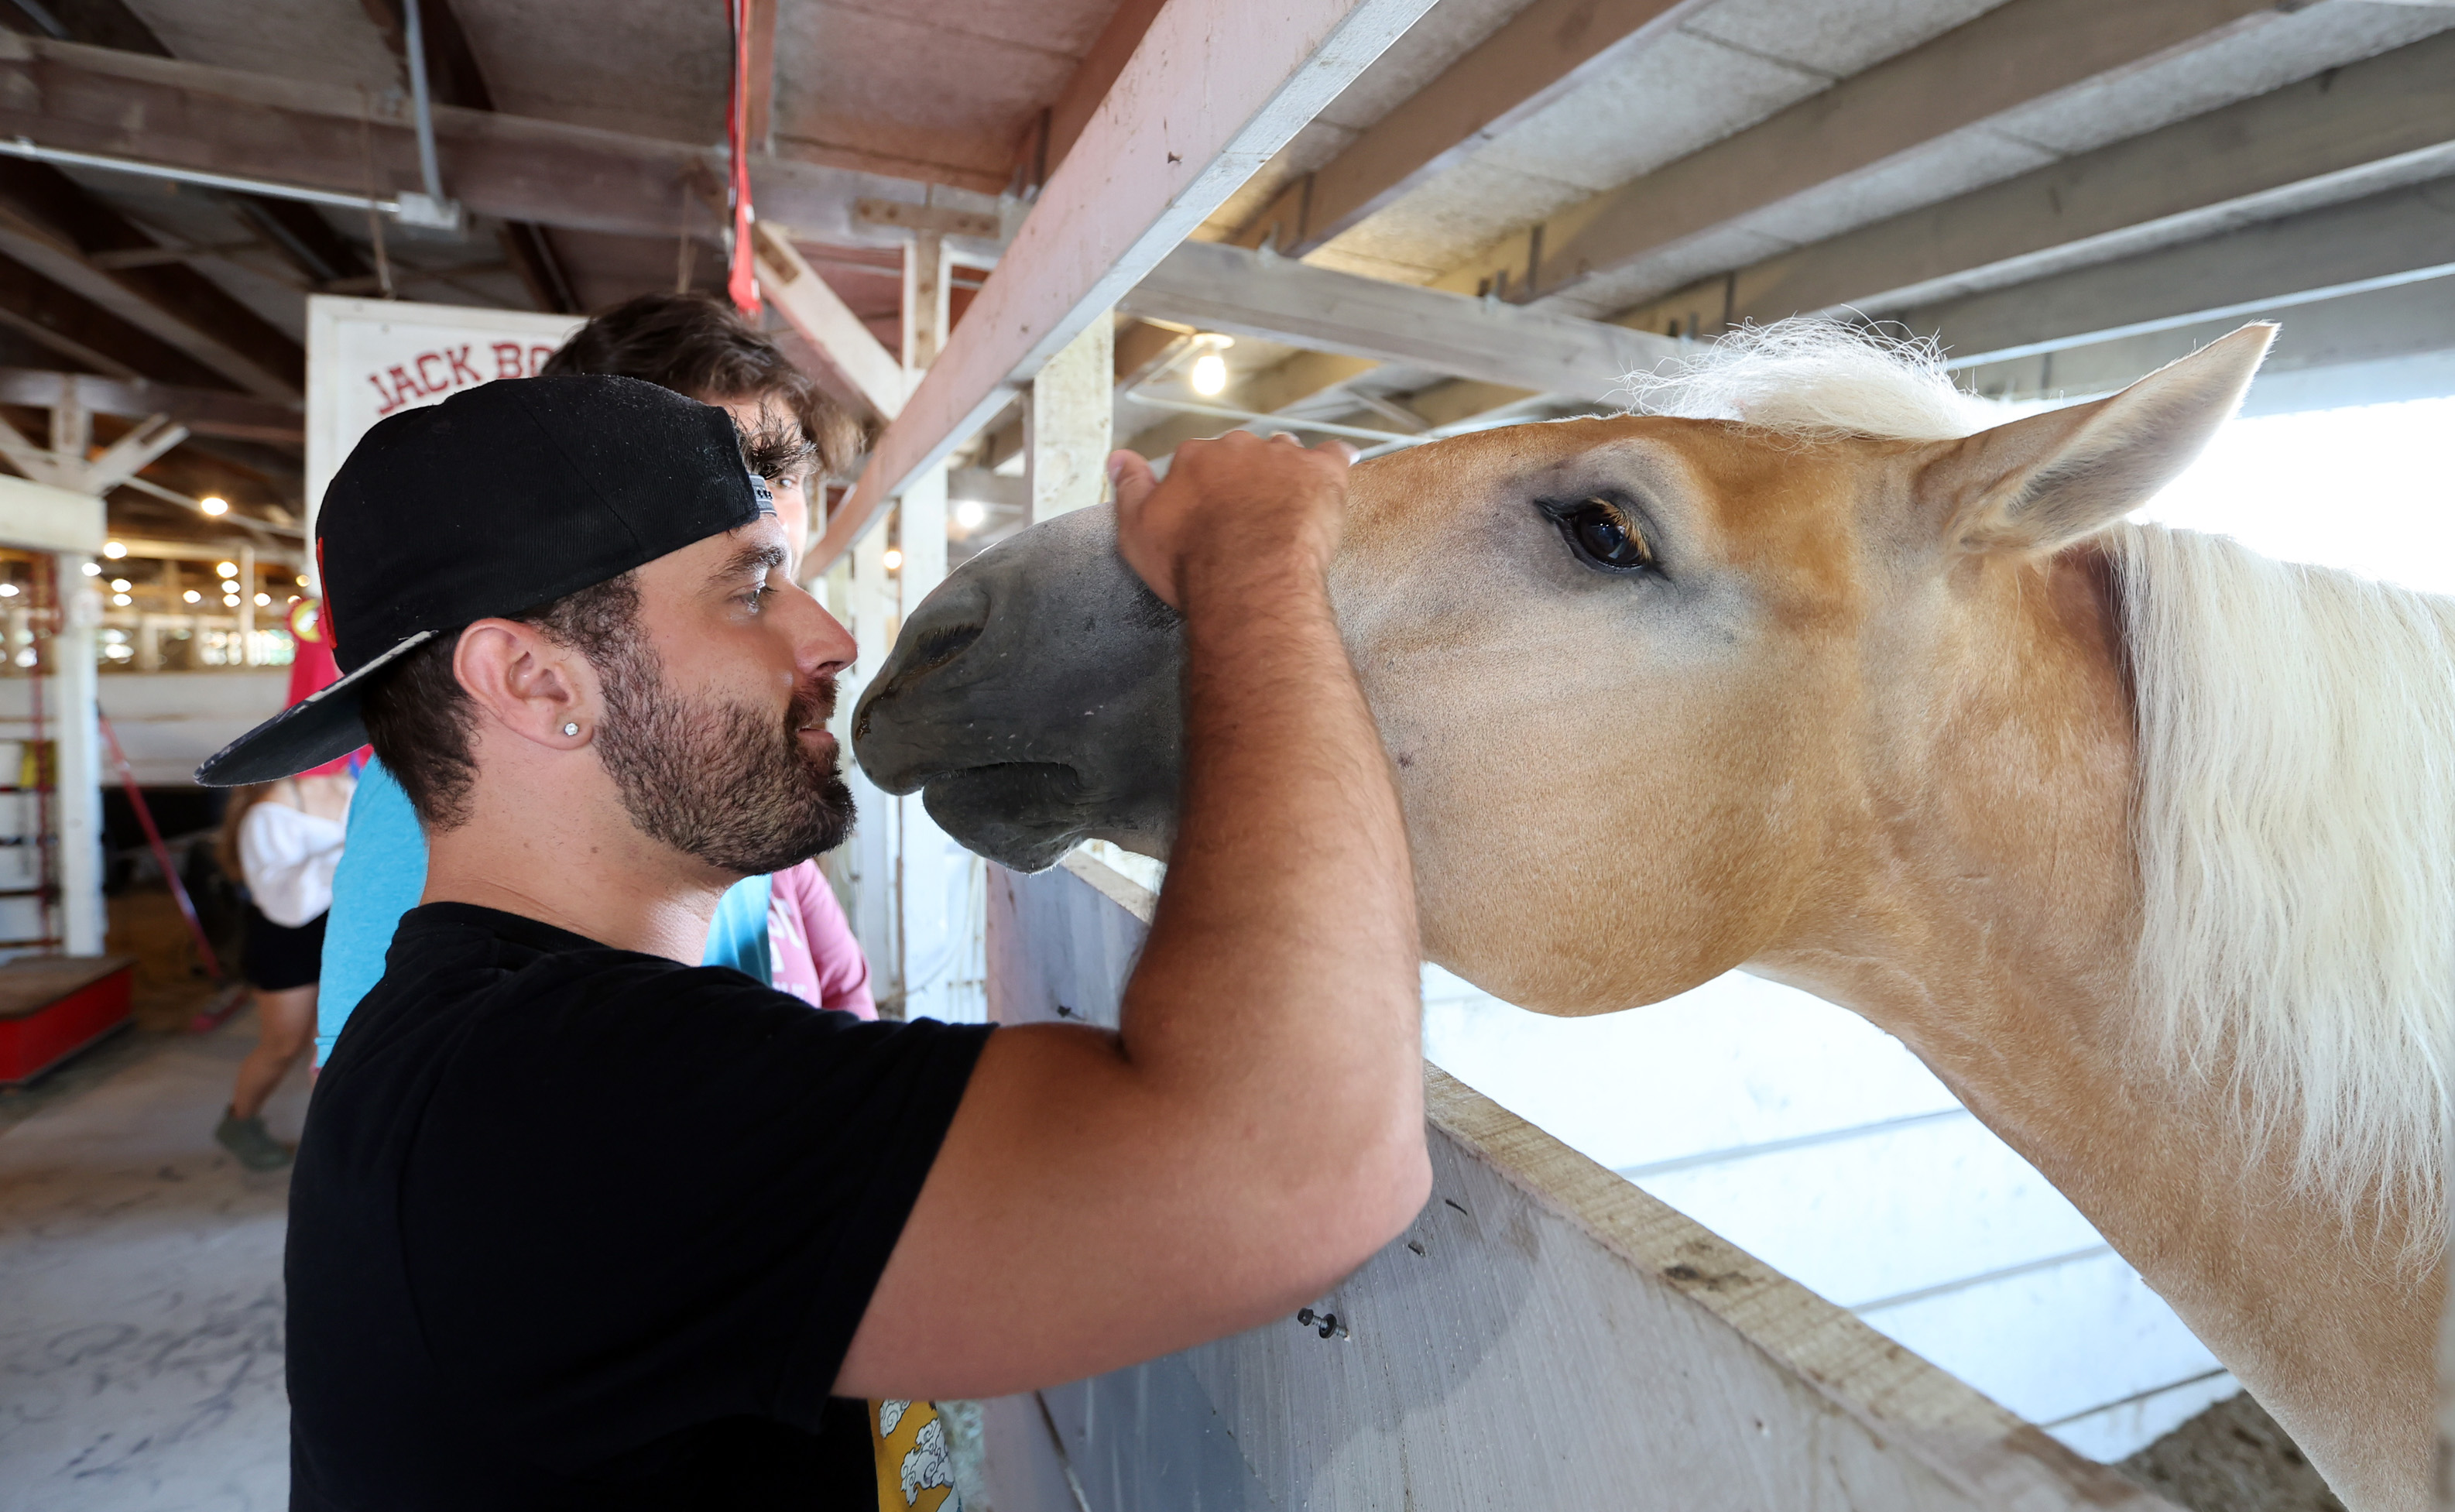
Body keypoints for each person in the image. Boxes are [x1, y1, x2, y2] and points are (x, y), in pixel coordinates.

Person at [198, 375, 1425, 1507]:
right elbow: (1304, 1167)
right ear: (533, 681)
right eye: (747, 588)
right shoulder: (557, 1092)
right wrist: (1254, 568)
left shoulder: (504, 1046)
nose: (831, 639)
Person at [315, 294, 870, 1068]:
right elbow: (386, 1074)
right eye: (720, 459)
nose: (761, 497)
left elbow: (825, 953)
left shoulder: (715, 757)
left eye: (781, 464)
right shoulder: (454, 792)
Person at [211, 766, 351, 1170]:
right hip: (288, 935)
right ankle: (239, 1121)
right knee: (281, 1045)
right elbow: (287, 905)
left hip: (340, 929)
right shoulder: (270, 812)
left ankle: (333, 1144)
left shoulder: (353, 785)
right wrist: (353, 850)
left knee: (333, 1046)